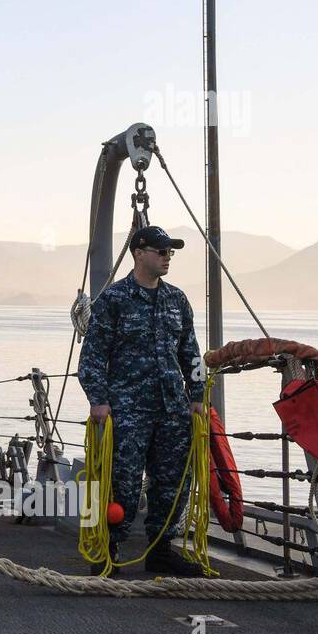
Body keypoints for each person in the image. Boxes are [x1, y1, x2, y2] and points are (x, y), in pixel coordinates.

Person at [77, 225, 207, 577]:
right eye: (161, 251)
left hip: (172, 412)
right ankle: (108, 549)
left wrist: (197, 396)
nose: (167, 258)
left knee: (172, 484)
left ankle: (161, 550)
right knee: (121, 484)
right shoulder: (114, 299)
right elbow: (92, 356)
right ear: (139, 253)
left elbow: (190, 352)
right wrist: (99, 400)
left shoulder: (177, 300)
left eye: (170, 253)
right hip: (127, 411)